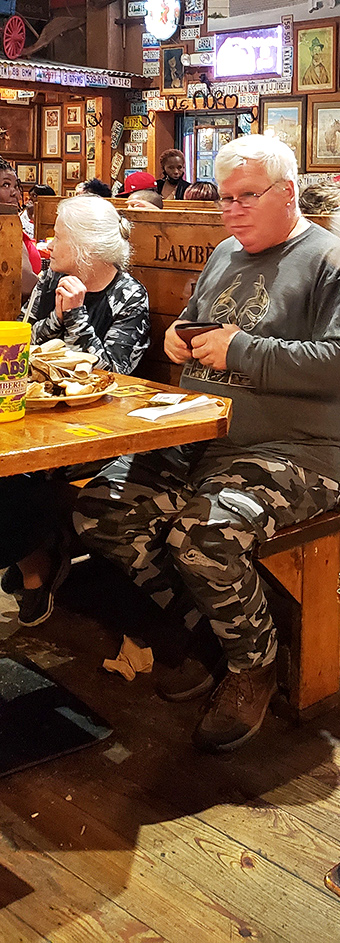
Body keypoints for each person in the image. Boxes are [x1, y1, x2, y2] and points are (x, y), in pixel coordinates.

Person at [73, 136, 340, 753]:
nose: (230, 210)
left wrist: (243, 350)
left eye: (247, 197)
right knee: (100, 512)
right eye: (223, 198)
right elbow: (199, 323)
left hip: (295, 453)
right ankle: (209, 635)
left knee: (202, 536)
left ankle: (254, 664)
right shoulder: (226, 254)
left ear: (288, 194)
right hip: (201, 440)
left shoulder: (331, 260)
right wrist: (179, 340)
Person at [0, 196, 150, 627]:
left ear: (85, 246)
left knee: (12, 477)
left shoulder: (129, 298)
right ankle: (30, 546)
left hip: (94, 434)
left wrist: (80, 316)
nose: (50, 242)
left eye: (60, 235)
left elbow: (114, 377)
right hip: (40, 419)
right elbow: (28, 342)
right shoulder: (51, 278)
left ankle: (35, 566)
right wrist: (59, 316)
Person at [0, 158, 41, 301]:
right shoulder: (5, 229)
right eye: (5, 185)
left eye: (16, 186)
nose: (15, 193)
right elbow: (21, 281)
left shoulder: (11, 223)